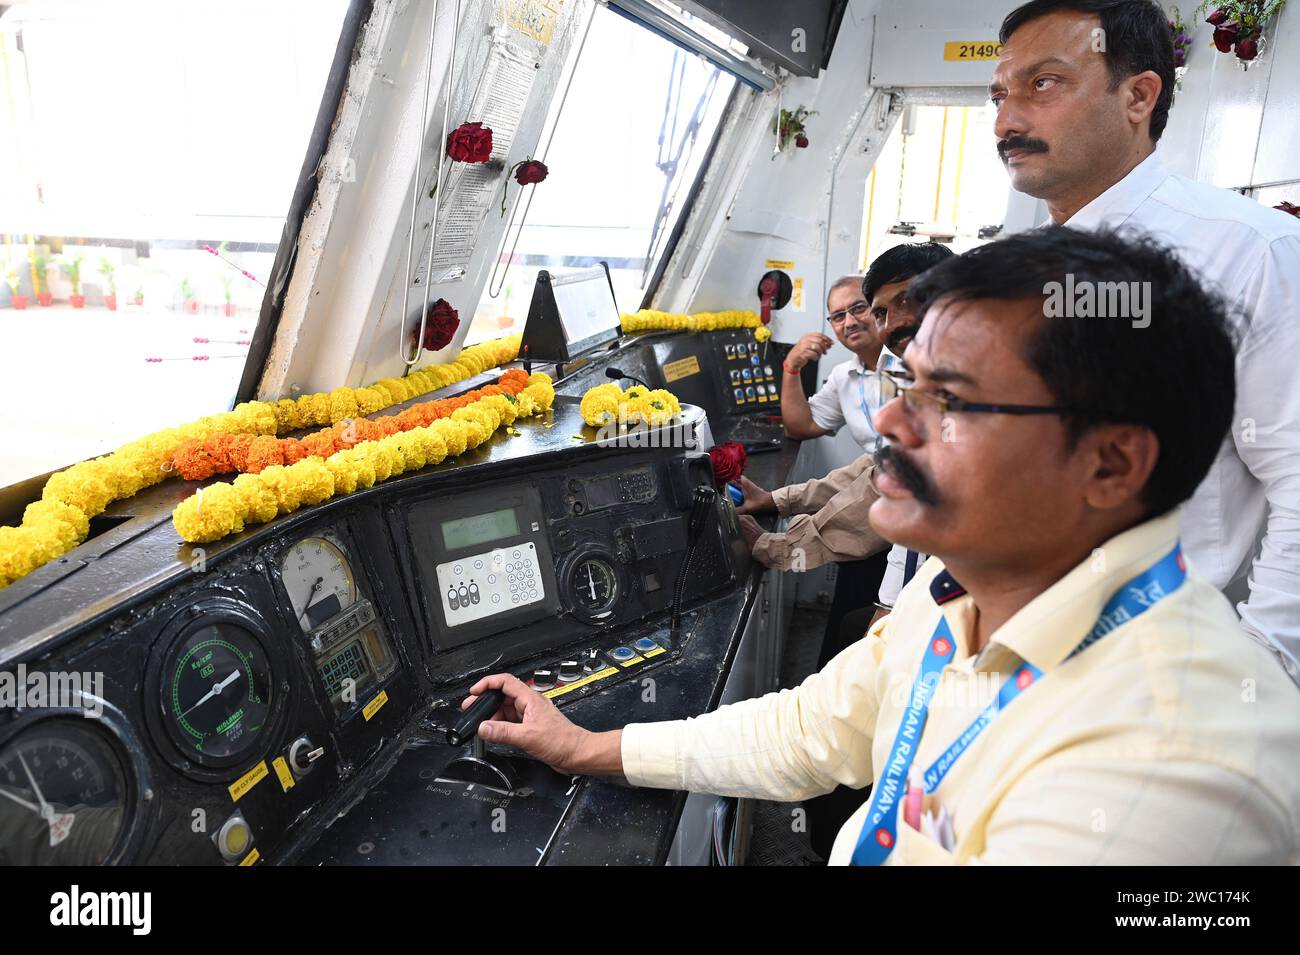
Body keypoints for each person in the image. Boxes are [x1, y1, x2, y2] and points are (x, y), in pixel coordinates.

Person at [462, 227, 1300, 864]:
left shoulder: (1168, 774)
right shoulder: (961, 587)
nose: (893, 422)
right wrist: (584, 746)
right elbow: (808, 729)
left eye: (952, 400)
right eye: (911, 382)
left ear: (1110, 462)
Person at [992, 0, 1300, 684]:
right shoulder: (1021, 268)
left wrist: (1261, 671)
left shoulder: (1250, 251)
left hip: (1164, 682)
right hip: (1018, 663)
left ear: (1139, 95)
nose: (1007, 121)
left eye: (1043, 84)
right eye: (1000, 94)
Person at [779, 275, 882, 449]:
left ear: (879, 308)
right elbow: (799, 427)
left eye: (859, 308)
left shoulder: (914, 361)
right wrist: (791, 366)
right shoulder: (843, 377)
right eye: (838, 316)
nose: (849, 322)